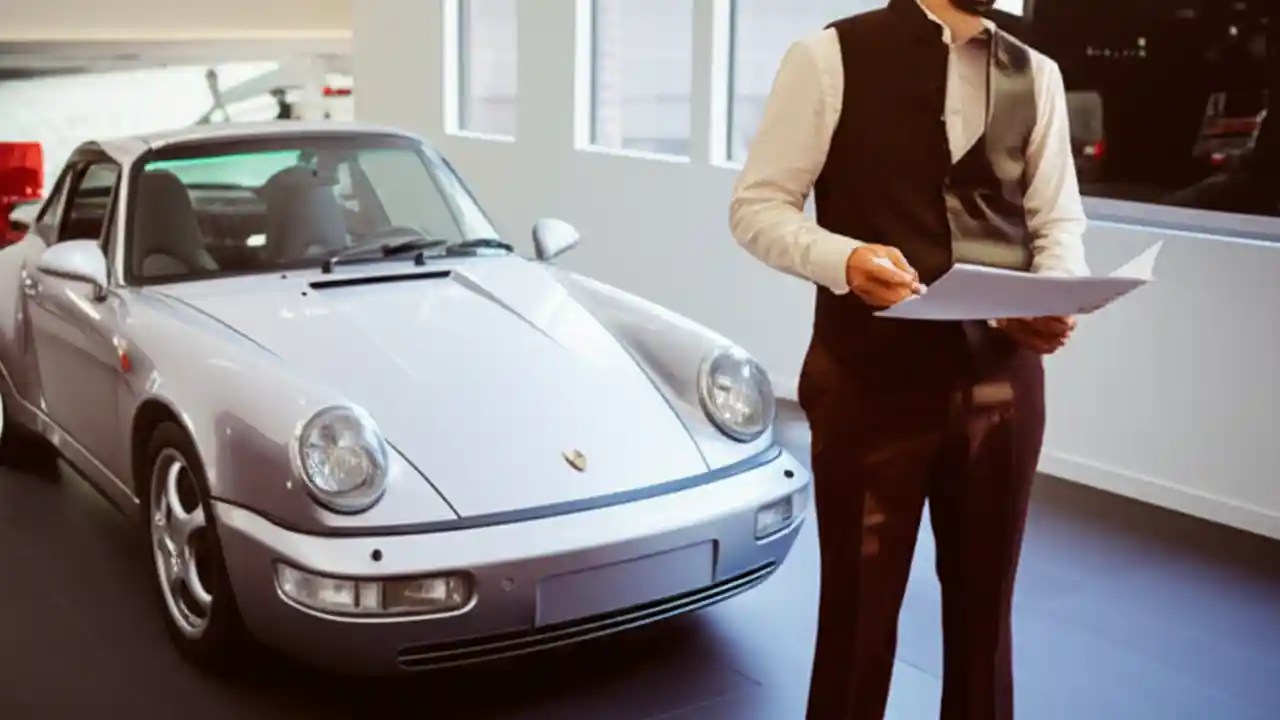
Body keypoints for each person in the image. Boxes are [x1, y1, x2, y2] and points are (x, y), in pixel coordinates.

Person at [729, 1, 1088, 718]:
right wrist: (844, 258)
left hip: (1002, 385)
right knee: (858, 618)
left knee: (986, 614)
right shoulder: (827, 56)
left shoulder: (1036, 74)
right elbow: (758, 207)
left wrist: (1057, 293)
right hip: (868, 380)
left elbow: (1058, 219)